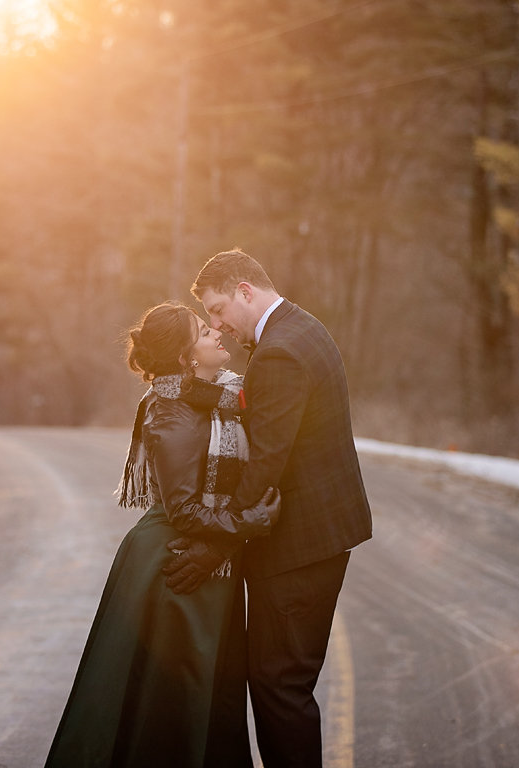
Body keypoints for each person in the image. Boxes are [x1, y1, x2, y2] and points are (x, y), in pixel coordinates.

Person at [45, 301, 282, 768]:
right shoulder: (169, 412)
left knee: (211, 699)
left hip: (212, 561)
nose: (217, 332)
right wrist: (250, 524)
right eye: (203, 331)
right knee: (171, 707)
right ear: (184, 358)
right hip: (173, 568)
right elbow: (186, 512)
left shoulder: (221, 398)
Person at [165, 250, 374, 768]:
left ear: (244, 291)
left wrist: (212, 544)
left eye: (216, 310)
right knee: (283, 685)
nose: (217, 325)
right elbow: (261, 415)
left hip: (299, 550)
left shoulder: (279, 352)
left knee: (279, 689)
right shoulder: (301, 328)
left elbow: (265, 465)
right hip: (317, 541)